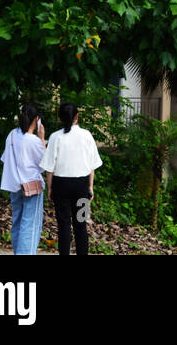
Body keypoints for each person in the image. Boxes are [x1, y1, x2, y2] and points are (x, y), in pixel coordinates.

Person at [41, 103, 103, 256]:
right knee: (81, 225)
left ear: (60, 118)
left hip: (60, 186)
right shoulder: (87, 135)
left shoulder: (55, 137)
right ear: (77, 116)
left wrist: (50, 189)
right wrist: (90, 187)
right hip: (81, 185)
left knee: (63, 225)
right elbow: (91, 166)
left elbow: (50, 168)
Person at [1, 104, 46, 256]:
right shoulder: (34, 141)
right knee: (30, 225)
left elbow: (5, 158)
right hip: (32, 185)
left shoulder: (12, 134)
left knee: (18, 222)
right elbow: (45, 164)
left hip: (14, 184)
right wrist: (42, 139)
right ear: (37, 120)